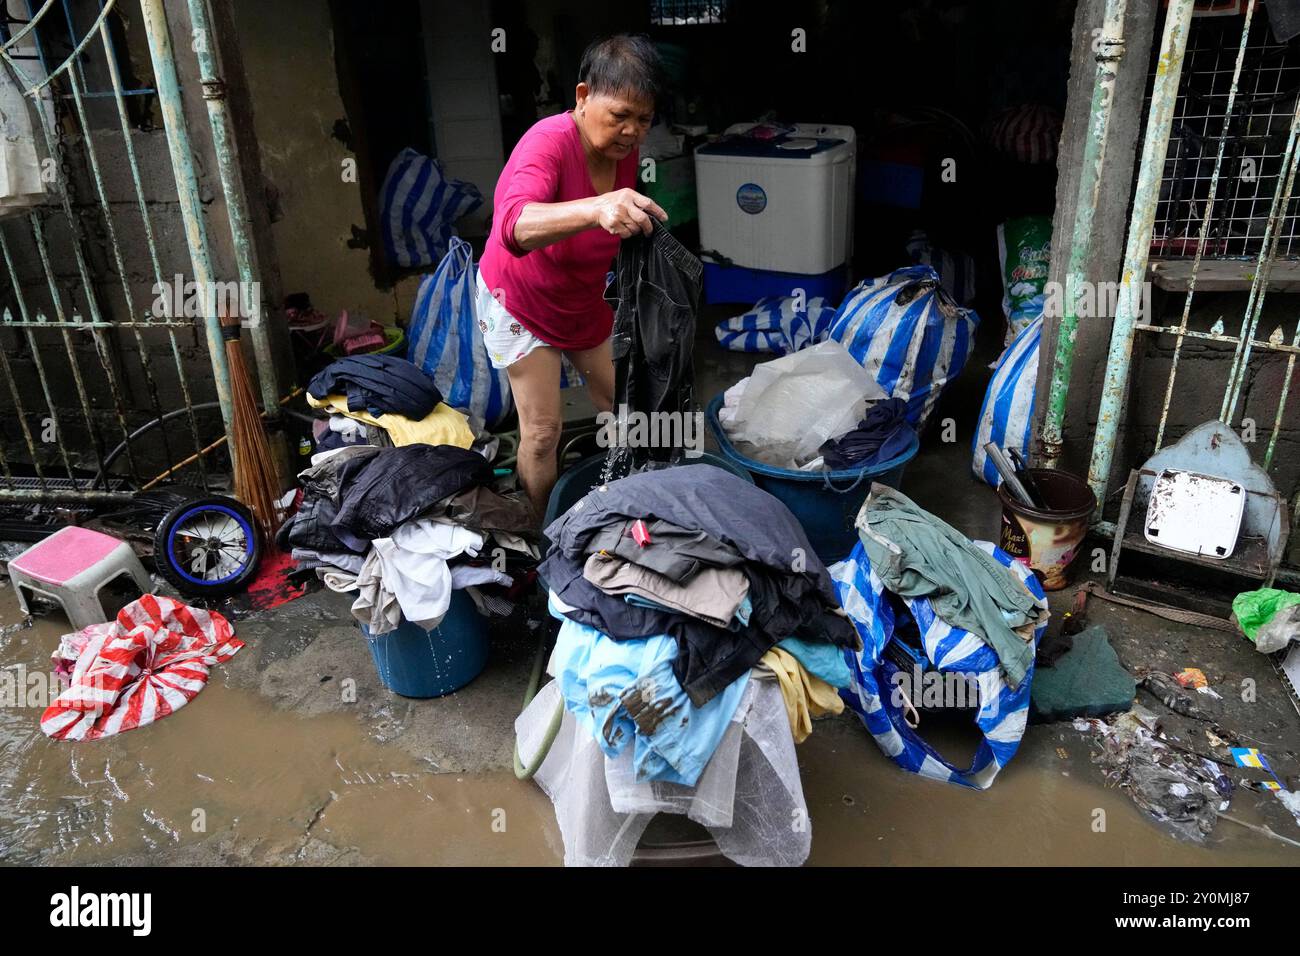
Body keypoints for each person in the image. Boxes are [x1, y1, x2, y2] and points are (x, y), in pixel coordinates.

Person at [477, 34, 668, 519]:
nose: (631, 132)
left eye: (643, 120)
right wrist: (600, 205)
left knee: (625, 412)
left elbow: (613, 226)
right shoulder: (548, 142)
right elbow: (512, 225)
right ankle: (545, 531)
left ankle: (632, 512)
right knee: (542, 432)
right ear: (583, 97)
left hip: (580, 297)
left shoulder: (625, 154)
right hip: (519, 297)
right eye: (620, 115)